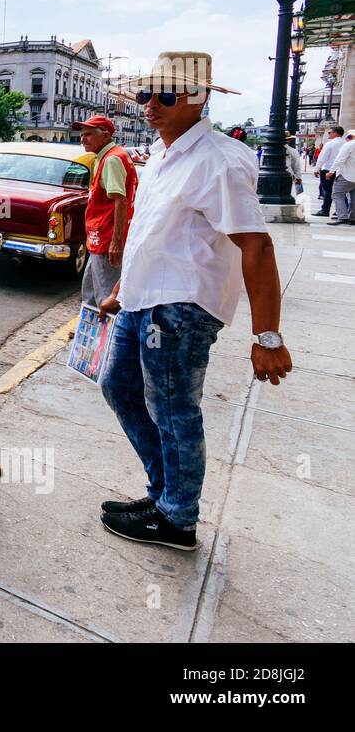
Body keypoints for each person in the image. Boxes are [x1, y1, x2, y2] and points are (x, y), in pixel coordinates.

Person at [98, 51, 290, 551]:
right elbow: (152, 232)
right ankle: (165, 494)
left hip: (180, 308)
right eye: (145, 94)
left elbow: (257, 244)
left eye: (165, 95)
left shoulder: (219, 160)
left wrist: (267, 336)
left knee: (175, 411)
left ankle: (178, 517)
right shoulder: (163, 155)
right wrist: (122, 289)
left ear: (199, 99)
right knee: (118, 387)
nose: (150, 106)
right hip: (143, 298)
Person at [73, 115, 137, 309]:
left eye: (88, 135)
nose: (83, 139)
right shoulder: (107, 157)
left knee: (106, 297)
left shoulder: (112, 160)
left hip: (106, 237)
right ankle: (88, 331)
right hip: (99, 237)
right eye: (82, 135)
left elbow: (121, 200)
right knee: (91, 289)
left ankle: (104, 337)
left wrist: (116, 242)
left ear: (106, 135)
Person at [315, 125, 344, 217]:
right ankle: (339, 210)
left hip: (328, 169)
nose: (328, 134)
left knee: (327, 190)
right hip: (341, 170)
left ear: (335, 133)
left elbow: (322, 158)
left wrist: (316, 169)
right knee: (340, 192)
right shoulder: (345, 143)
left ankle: (325, 210)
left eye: (329, 132)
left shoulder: (330, 144)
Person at [327, 133, 355, 225]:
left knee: (337, 195)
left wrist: (331, 171)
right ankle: (353, 217)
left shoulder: (349, 145)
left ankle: (342, 217)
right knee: (353, 198)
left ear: (350, 137)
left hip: (347, 175)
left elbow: (340, 159)